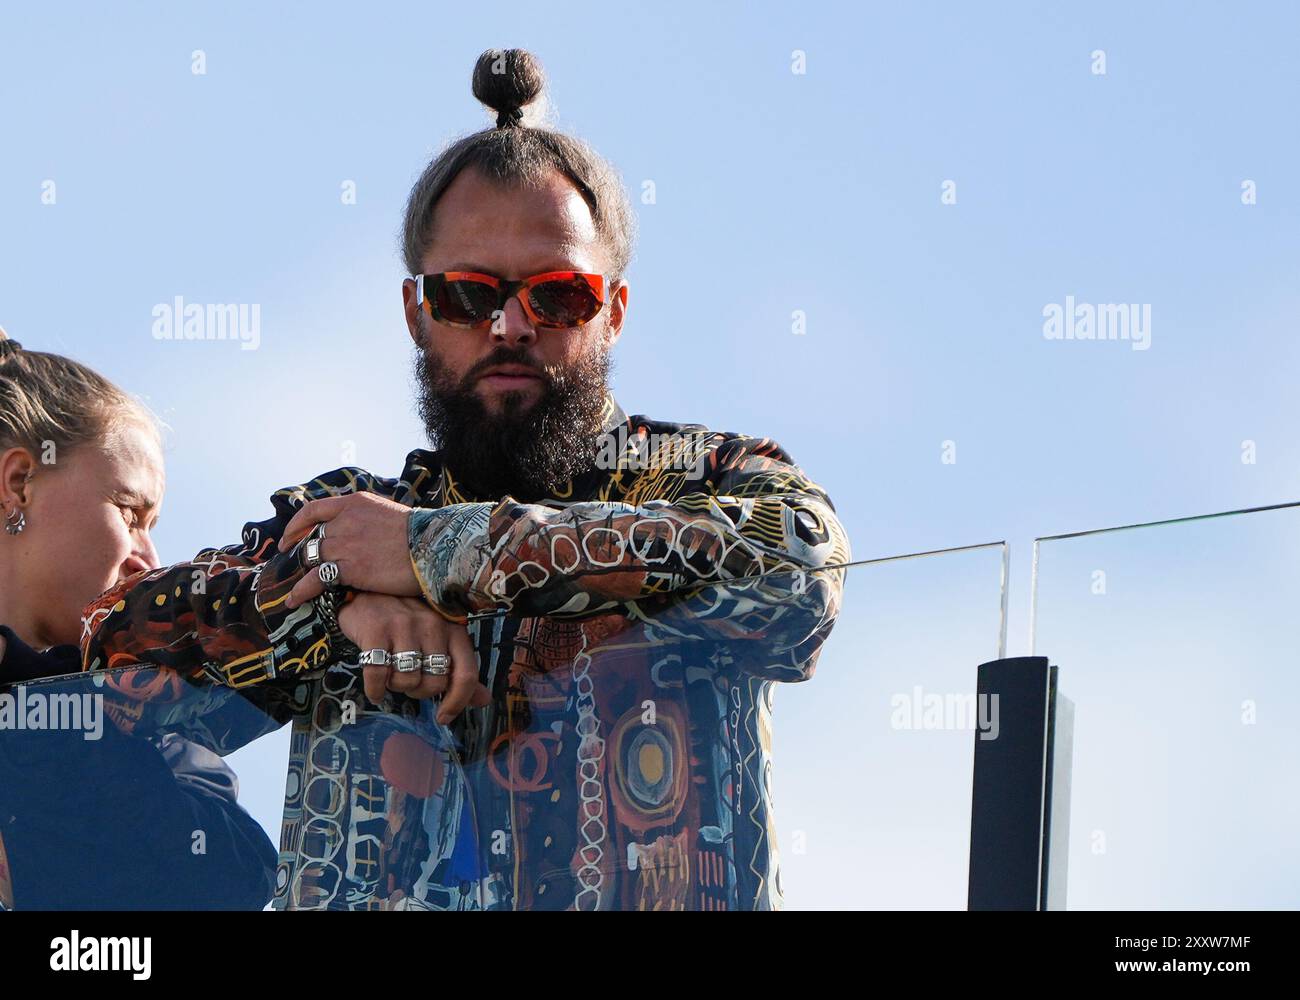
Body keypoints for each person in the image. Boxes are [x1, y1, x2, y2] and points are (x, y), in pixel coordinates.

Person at [79, 48, 853, 911]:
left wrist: (430, 552)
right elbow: (113, 656)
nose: (511, 325)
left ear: (614, 313)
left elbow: (802, 566)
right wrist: (334, 600)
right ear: (417, 313)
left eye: (560, 295)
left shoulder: (693, 479)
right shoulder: (340, 528)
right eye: (467, 294)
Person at [0, 328, 277, 909]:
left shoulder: (147, 715)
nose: (148, 560)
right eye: (131, 512)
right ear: (20, 482)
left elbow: (237, 879)